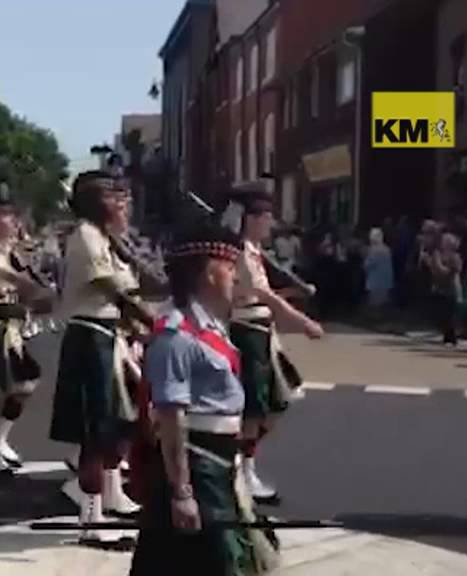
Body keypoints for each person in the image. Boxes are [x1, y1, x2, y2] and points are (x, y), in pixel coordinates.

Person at [130, 223, 279, 576]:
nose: (236, 278)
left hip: (220, 466)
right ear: (210, 274)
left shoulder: (212, 328)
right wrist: (182, 492)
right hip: (197, 469)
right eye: (229, 268)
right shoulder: (176, 336)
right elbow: (171, 419)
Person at [48, 171, 151, 546]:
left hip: (108, 335)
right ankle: (90, 521)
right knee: (94, 430)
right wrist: (156, 322)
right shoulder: (87, 237)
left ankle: (103, 504)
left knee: (114, 424)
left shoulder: (104, 238)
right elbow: (115, 292)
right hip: (90, 337)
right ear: (93, 202)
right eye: (110, 196)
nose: (118, 202)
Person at [222, 188, 322, 504]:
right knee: (254, 407)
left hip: (263, 332)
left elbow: (264, 292)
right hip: (248, 332)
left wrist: (294, 291)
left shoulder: (253, 250)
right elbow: (262, 296)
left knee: (279, 398)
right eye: (264, 216)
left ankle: (242, 462)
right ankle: (243, 470)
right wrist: (303, 322)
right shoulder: (240, 250)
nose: (270, 222)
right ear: (249, 219)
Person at [0, 179, 50, 472]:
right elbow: (5, 278)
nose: (14, 222)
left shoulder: (11, 250)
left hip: (12, 326)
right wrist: (34, 287)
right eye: (7, 215)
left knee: (25, 382)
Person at [430, 232, 463, 346]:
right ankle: (447, 336)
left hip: (451, 288)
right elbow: (437, 270)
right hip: (439, 288)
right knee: (441, 314)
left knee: (450, 314)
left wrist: (459, 293)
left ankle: (451, 337)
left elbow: (453, 273)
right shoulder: (438, 254)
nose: (443, 243)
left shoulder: (455, 257)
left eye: (446, 241)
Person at [364, 227, 394, 312]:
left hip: (375, 283)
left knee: (375, 305)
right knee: (383, 304)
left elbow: (367, 265)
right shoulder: (387, 249)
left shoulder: (374, 250)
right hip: (386, 282)